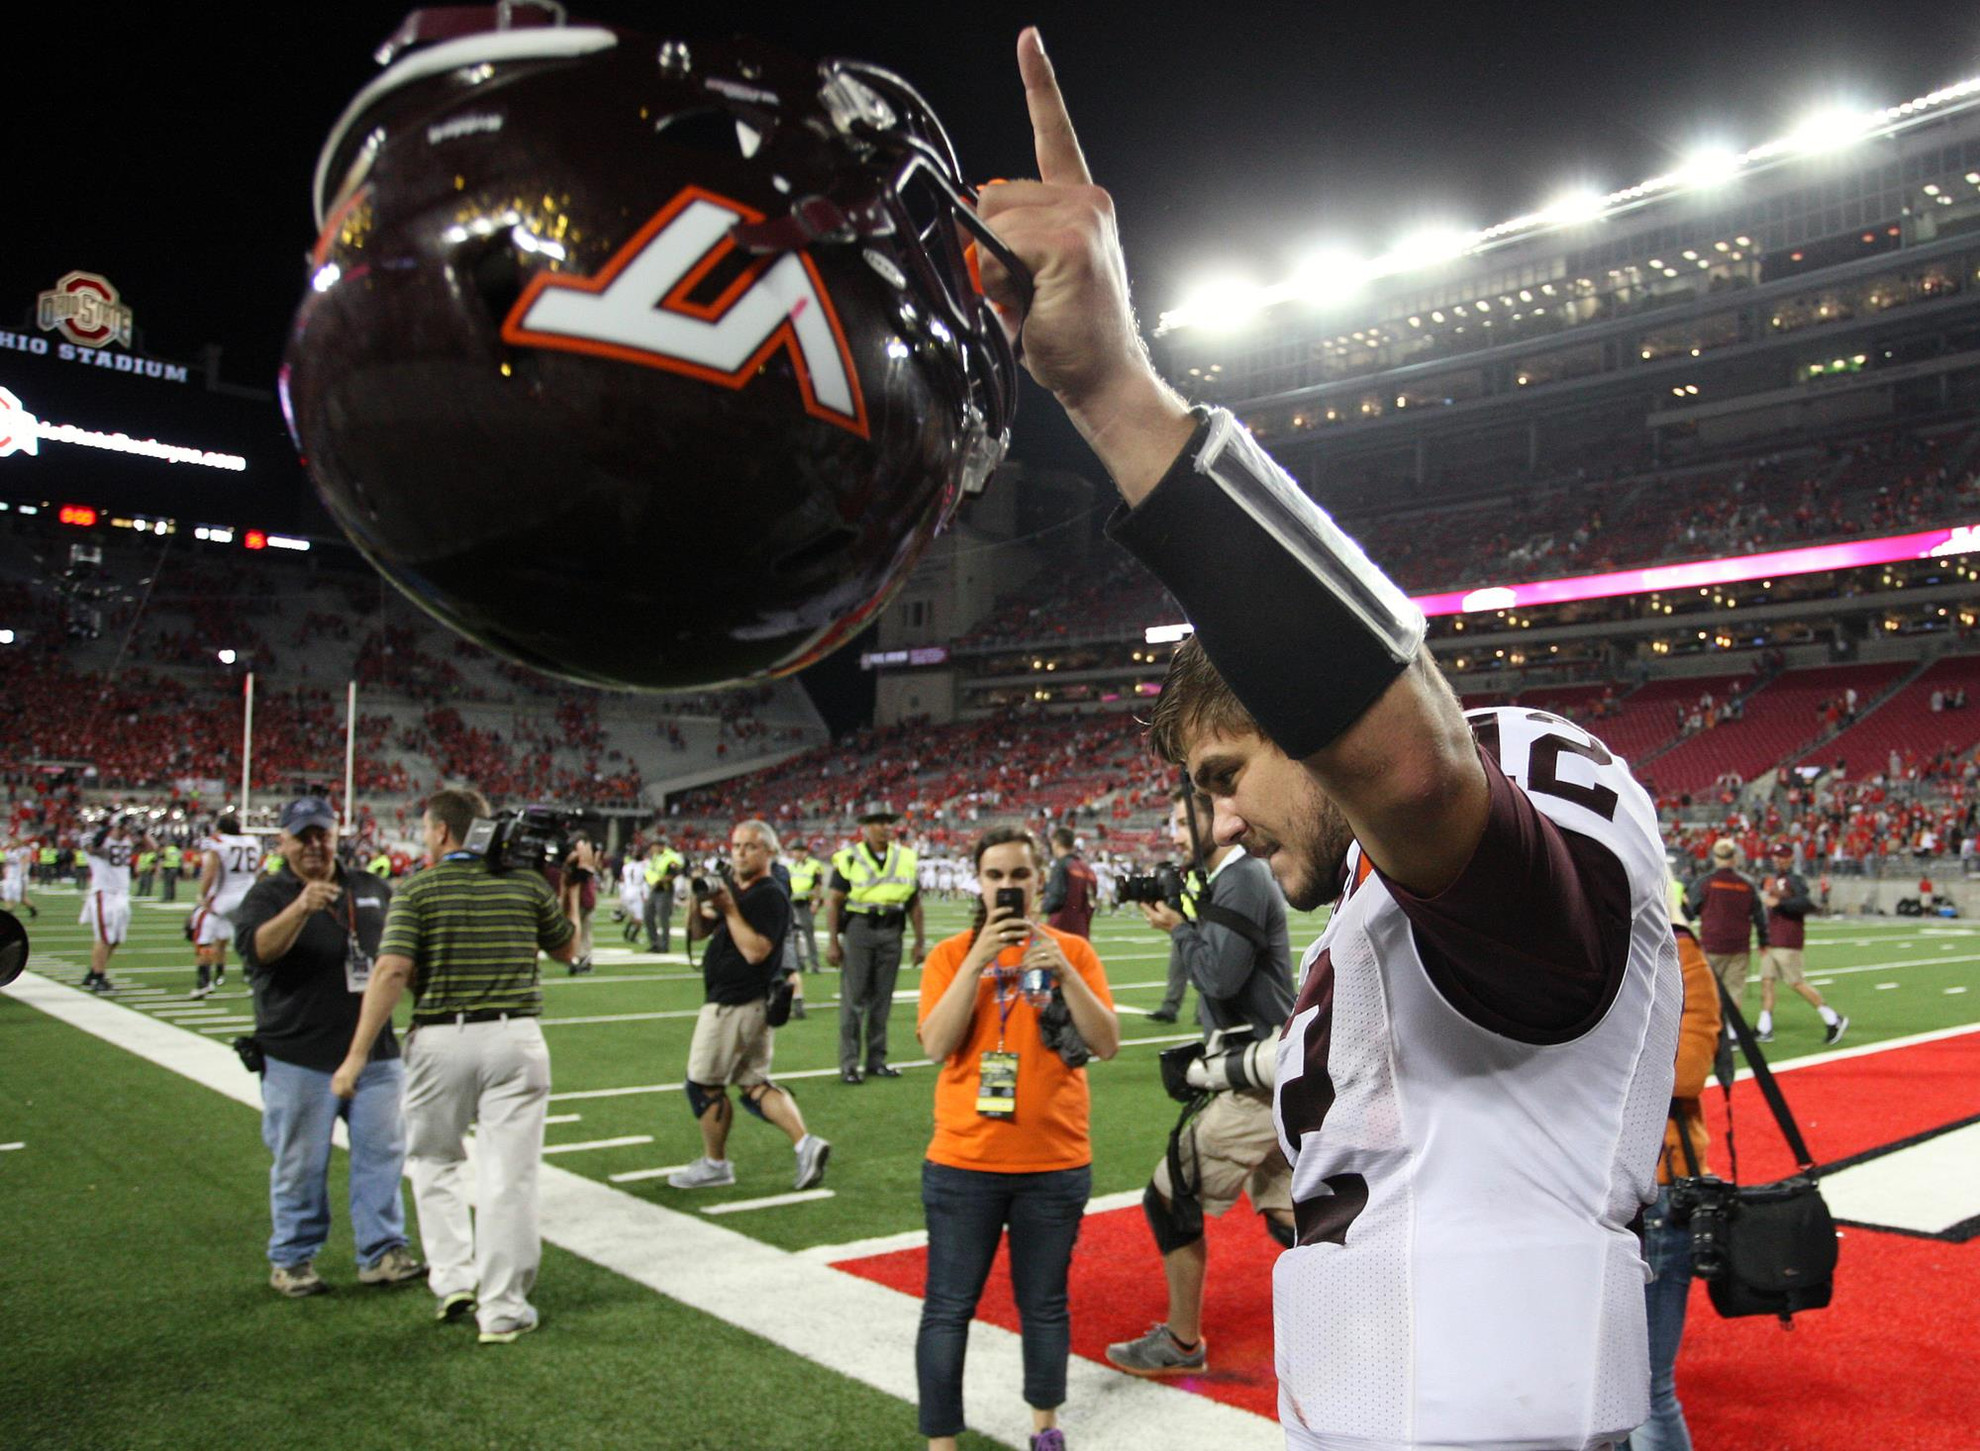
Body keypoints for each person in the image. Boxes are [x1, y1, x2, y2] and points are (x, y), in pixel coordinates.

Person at [975, 34, 1679, 1445]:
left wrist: (1116, 390)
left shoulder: (1496, 778)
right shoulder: (1366, 906)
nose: (1219, 825)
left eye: (1228, 777)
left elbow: (1415, 768)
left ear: (1300, 716)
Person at [330, 786, 587, 1344]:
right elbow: (572, 952)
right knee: (509, 1179)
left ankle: (454, 1279)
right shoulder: (524, 885)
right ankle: (503, 1308)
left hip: (441, 1038)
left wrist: (355, 1056)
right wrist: (569, 886)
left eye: (426, 830)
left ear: (444, 831)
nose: (424, 840)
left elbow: (392, 971)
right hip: (515, 1037)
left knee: (434, 1163)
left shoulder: (420, 887)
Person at [915, 826, 1120, 1451]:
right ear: (978, 882)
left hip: (1053, 1161)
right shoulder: (951, 955)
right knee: (949, 1307)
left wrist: (1064, 971)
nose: (1007, 886)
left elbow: (1106, 1042)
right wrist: (978, 960)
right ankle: (941, 1441)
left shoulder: (1072, 953)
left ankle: (1045, 1428)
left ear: (1039, 880)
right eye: (995, 875)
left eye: (1019, 875)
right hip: (965, 1161)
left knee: (1045, 1304)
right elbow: (934, 1044)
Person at [1104, 785, 1294, 1378]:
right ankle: (1385, 1316)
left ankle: (1183, 1343)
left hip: (1258, 1076)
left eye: (1183, 826)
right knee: (1292, 1216)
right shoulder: (1229, 879)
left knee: (1168, 1195)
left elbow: (1216, 975)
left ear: (1218, 821)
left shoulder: (1241, 877)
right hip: (1270, 1066)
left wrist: (1177, 930)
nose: (1176, 837)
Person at [233, 797, 424, 1298]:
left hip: (376, 1054)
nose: (314, 845)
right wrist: (300, 907)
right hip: (299, 1055)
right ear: (283, 842)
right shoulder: (267, 896)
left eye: (322, 834)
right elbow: (259, 951)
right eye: (303, 836)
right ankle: (293, 1258)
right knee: (299, 1162)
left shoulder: (371, 888)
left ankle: (382, 1251)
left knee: (382, 1156)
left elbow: (400, 956)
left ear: (337, 835)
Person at [667, 820, 830, 1192]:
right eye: (736, 845)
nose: (740, 852)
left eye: (750, 846)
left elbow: (756, 951)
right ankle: (807, 1145)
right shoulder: (740, 890)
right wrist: (699, 899)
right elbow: (697, 933)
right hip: (745, 1004)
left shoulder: (769, 894)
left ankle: (715, 1164)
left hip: (736, 1003)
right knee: (753, 1085)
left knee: (703, 1085)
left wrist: (729, 909)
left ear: (769, 853)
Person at [1623, 883, 1723, 1451]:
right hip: (1596, 1192)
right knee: (1600, 1388)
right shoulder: (1601, 946)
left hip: (1660, 1190)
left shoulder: (1681, 952)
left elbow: (1686, 1070)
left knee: (1648, 1392)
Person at [825, 805, 925, 1083]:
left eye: (887, 822)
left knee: (883, 999)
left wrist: (919, 941)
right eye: (877, 822)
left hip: (892, 929)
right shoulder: (849, 858)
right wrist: (833, 942)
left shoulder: (905, 856)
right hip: (860, 929)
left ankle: (876, 1060)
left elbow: (915, 903)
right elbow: (833, 901)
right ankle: (849, 1064)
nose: (884, 827)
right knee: (854, 999)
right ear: (865, 827)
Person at [1758, 842, 1848, 1045]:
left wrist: (1779, 903)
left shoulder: (1795, 880)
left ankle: (1832, 1018)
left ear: (1790, 858)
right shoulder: (1774, 879)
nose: (1777, 859)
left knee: (1795, 982)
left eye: (1781, 856)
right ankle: (1765, 1026)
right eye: (1775, 856)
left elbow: (1806, 904)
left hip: (1788, 939)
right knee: (1767, 980)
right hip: (1772, 938)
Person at [1684, 839, 1768, 1004]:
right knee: (1734, 991)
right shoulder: (1747, 883)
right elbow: (1759, 916)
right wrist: (1763, 941)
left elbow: (1690, 912)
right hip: (1739, 946)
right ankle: (1732, 1029)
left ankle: (1714, 1029)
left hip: (1712, 944)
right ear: (1735, 858)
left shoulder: (1705, 882)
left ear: (1715, 857)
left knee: (1709, 991)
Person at [191, 813, 264, 998]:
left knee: (203, 936)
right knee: (248, 939)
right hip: (247, 895)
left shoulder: (218, 842)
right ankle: (254, 979)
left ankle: (204, 981)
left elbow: (210, 870)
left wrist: (202, 894)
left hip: (224, 897)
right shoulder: (252, 841)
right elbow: (257, 870)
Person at [79, 815, 147, 993]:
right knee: (104, 937)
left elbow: (153, 847)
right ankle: (99, 978)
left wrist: (143, 832)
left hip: (122, 894)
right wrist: (111, 831)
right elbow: (93, 848)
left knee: (116, 938)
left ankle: (94, 971)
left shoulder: (128, 840)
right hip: (104, 892)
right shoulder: (95, 838)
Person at [1038, 827, 1097, 939]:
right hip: (1082, 931)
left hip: (1061, 930)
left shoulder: (1062, 866)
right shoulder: (1087, 869)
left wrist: (1041, 908)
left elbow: (1057, 899)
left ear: (1056, 843)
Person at [786, 839, 824, 972]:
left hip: (806, 903)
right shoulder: (790, 866)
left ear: (805, 852)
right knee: (794, 935)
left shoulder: (814, 865)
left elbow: (818, 885)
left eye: (800, 851)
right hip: (792, 903)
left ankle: (814, 964)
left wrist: (815, 902)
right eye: (795, 851)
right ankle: (798, 963)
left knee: (809, 934)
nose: (797, 854)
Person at [643, 836, 685, 953]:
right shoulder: (656, 857)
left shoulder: (670, 857)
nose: (652, 848)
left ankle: (664, 945)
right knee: (647, 915)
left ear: (661, 846)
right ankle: (655, 943)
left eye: (655, 845)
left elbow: (675, 872)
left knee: (663, 918)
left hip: (664, 890)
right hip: (654, 889)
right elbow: (651, 871)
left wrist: (660, 881)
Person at [1, 838, 37, 919]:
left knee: (21, 898)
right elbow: (5, 864)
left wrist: (22, 874)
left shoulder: (22, 852)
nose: (12, 843)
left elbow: (25, 863)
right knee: (7, 896)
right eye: (11, 841)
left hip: (19, 878)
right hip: (9, 878)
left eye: (14, 842)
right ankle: (9, 912)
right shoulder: (7, 852)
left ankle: (33, 910)